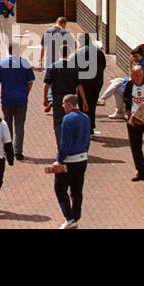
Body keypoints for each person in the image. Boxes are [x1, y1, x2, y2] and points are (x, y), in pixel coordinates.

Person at [47, 93, 91, 229]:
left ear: (69, 104)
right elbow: (87, 138)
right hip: (82, 158)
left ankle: (69, 217)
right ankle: (76, 217)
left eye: (63, 104)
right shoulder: (86, 118)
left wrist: (58, 160)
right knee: (77, 189)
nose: (62, 106)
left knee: (60, 188)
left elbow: (65, 142)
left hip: (69, 160)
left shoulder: (67, 119)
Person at [0, 47, 36, 160]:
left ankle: (8, 149)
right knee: (19, 125)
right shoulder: (25, 63)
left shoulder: (2, 63)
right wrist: (26, 93)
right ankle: (18, 151)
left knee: (7, 124)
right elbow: (30, 82)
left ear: (9, 51)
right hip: (21, 99)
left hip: (7, 99)